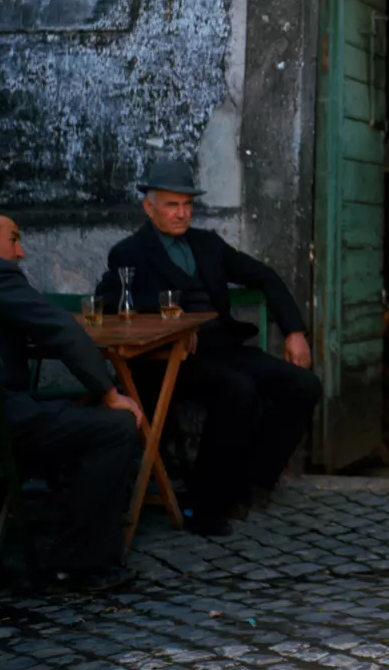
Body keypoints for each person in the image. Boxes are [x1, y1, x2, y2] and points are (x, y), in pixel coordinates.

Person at [0, 210, 145, 591]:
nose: (21, 252)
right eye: (14, 239)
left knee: (31, 420)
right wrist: (108, 392)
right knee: (114, 429)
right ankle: (78, 565)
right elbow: (58, 327)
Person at [100, 159, 319, 537]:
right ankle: (206, 504)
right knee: (236, 388)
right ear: (148, 208)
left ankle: (249, 482)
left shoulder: (207, 244)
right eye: (171, 205)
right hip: (166, 357)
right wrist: (174, 318)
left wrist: (295, 331)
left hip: (224, 348)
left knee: (303, 385)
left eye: (187, 205)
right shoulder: (129, 253)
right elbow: (111, 304)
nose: (182, 213)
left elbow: (265, 275)